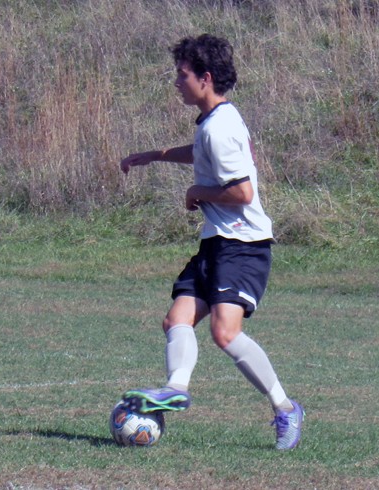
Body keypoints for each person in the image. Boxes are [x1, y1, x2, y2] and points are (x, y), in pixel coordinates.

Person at [119, 34, 303, 450]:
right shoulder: (213, 123)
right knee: (177, 319)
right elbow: (201, 153)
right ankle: (176, 388)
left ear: (204, 78)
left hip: (243, 246)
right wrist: (154, 155)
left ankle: (286, 408)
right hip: (217, 243)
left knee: (224, 332)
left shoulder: (220, 129)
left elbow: (242, 194)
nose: (176, 82)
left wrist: (196, 193)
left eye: (181, 75)